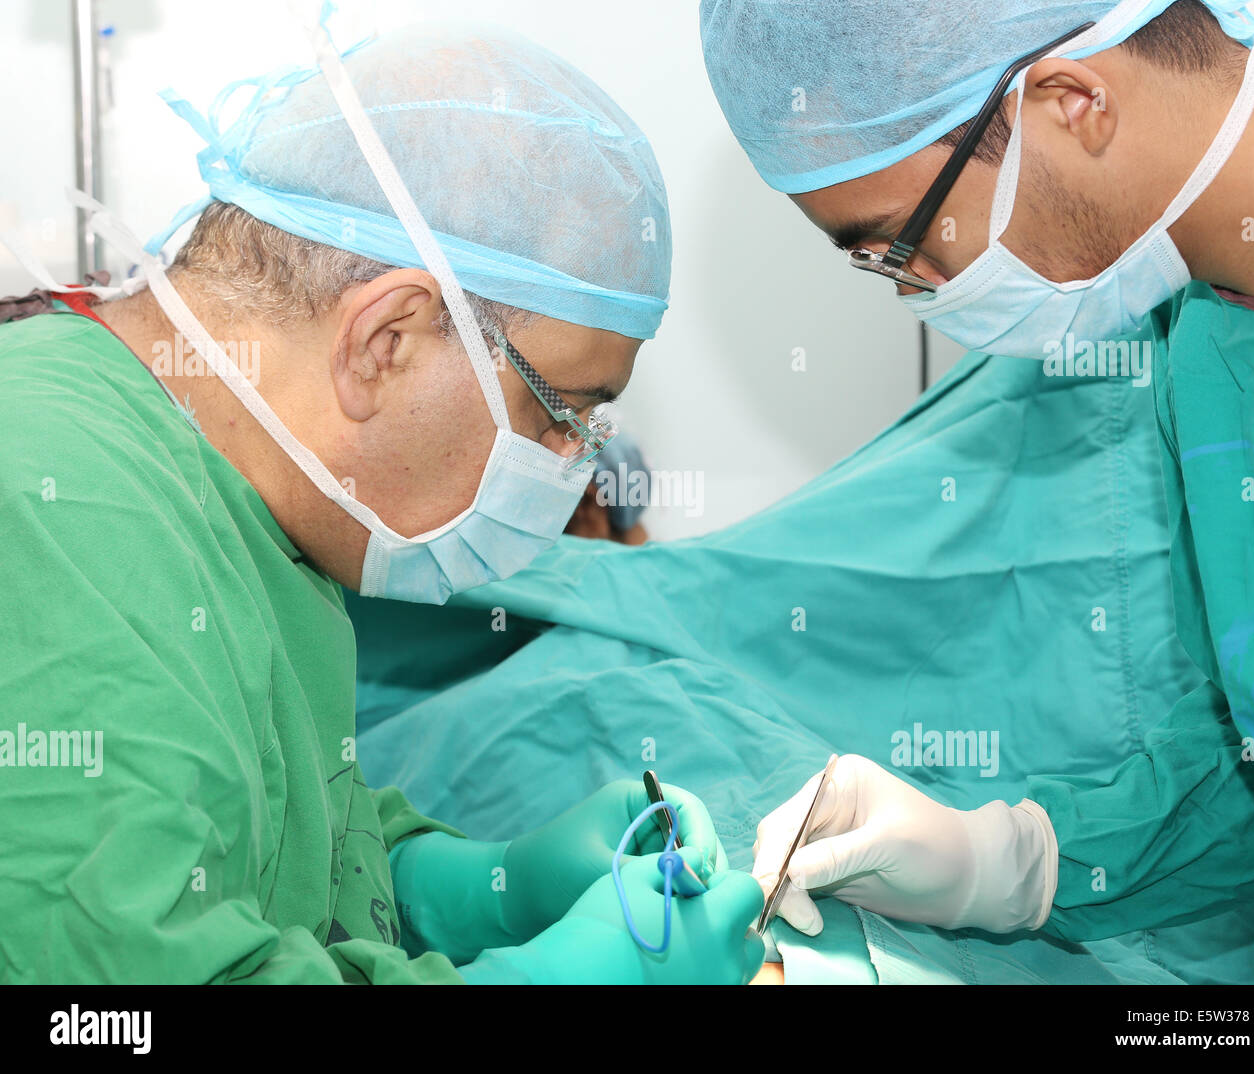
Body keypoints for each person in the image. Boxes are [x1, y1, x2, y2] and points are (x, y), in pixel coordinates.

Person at [0, 21, 762, 984]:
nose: (572, 464)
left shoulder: (258, 511)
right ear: (387, 339)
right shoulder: (55, 501)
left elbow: (272, 846)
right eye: (561, 411)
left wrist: (468, 885)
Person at [700, 0, 1254, 940]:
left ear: (1073, 102)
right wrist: (1017, 863)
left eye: (900, 247)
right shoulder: (1212, 328)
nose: (921, 293)